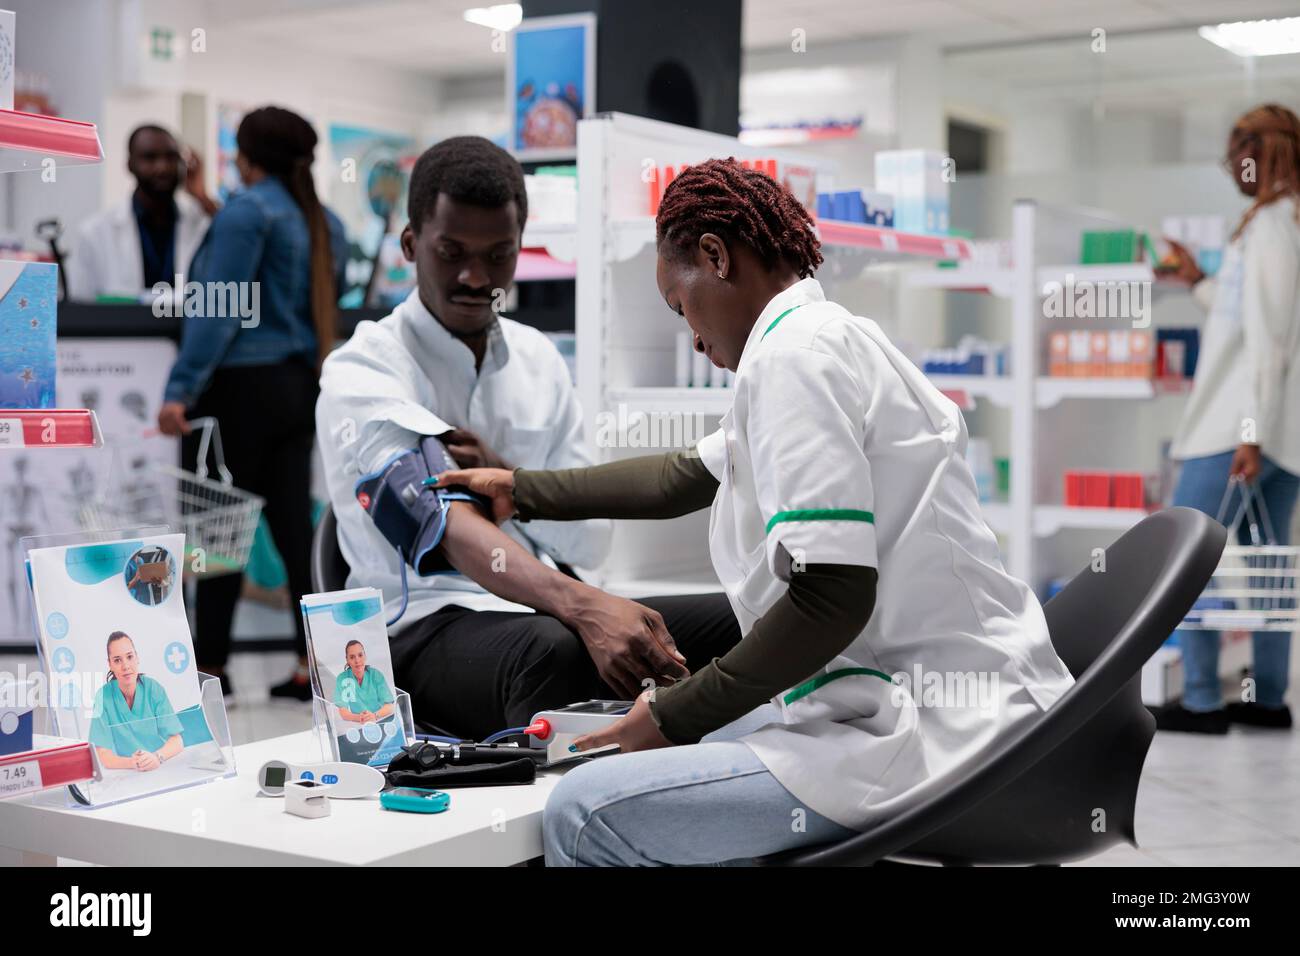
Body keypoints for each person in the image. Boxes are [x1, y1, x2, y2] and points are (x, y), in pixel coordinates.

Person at [438, 158, 1078, 866]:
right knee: (684, 755)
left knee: (585, 812)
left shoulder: (795, 359)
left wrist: (678, 711)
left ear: (715, 256)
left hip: (939, 734)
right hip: (947, 707)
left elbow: (833, 597)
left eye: (682, 307)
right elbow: (681, 478)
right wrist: (521, 488)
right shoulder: (818, 336)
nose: (694, 340)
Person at [316, 136, 741, 743]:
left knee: (742, 618)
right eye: (451, 251)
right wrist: (585, 606)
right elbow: (441, 525)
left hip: (535, 608)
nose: (475, 276)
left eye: (498, 255)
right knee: (554, 653)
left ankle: (708, 805)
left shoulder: (539, 361)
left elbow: (592, 539)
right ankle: (566, 834)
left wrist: (515, 481)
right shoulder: (364, 368)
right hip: (419, 627)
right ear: (411, 245)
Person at [157, 106, 347, 701]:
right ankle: (311, 668)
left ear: (246, 153)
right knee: (294, 532)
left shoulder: (249, 211)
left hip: (237, 393)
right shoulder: (322, 220)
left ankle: (209, 668)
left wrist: (180, 387)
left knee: (218, 530)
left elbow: (218, 308)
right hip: (295, 388)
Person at [1157, 103, 1300, 734]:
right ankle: (1268, 701)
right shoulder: (1288, 224)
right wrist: (1198, 282)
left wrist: (1251, 434)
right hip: (1280, 435)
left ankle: (1202, 702)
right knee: (1269, 565)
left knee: (1183, 557)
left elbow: (1269, 342)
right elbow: (1248, 321)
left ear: (1260, 153)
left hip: (1237, 432)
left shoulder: (1272, 224)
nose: (1231, 167)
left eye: (1237, 152)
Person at [66, 125, 214, 301]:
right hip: (122, 328)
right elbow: (79, 304)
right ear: (130, 165)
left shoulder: (201, 222)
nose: (162, 167)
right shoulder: (94, 232)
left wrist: (202, 196)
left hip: (185, 327)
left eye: (171, 157)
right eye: (150, 158)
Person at [89, 632, 184, 772]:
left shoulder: (153, 689)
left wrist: (156, 757)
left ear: (137, 657)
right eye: (117, 660)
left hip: (162, 767)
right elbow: (103, 755)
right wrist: (133, 762)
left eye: (129, 657)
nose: (125, 666)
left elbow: (177, 741)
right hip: (126, 774)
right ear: (110, 665)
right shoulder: (103, 698)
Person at [334, 640, 395, 724]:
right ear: (347, 660)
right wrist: (359, 718)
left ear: (365, 656)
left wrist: (374, 716)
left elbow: (389, 706)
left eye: (360, 655)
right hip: (358, 726)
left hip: (381, 722)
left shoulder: (375, 675)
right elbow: (343, 712)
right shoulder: (342, 679)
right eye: (352, 657)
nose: (357, 660)